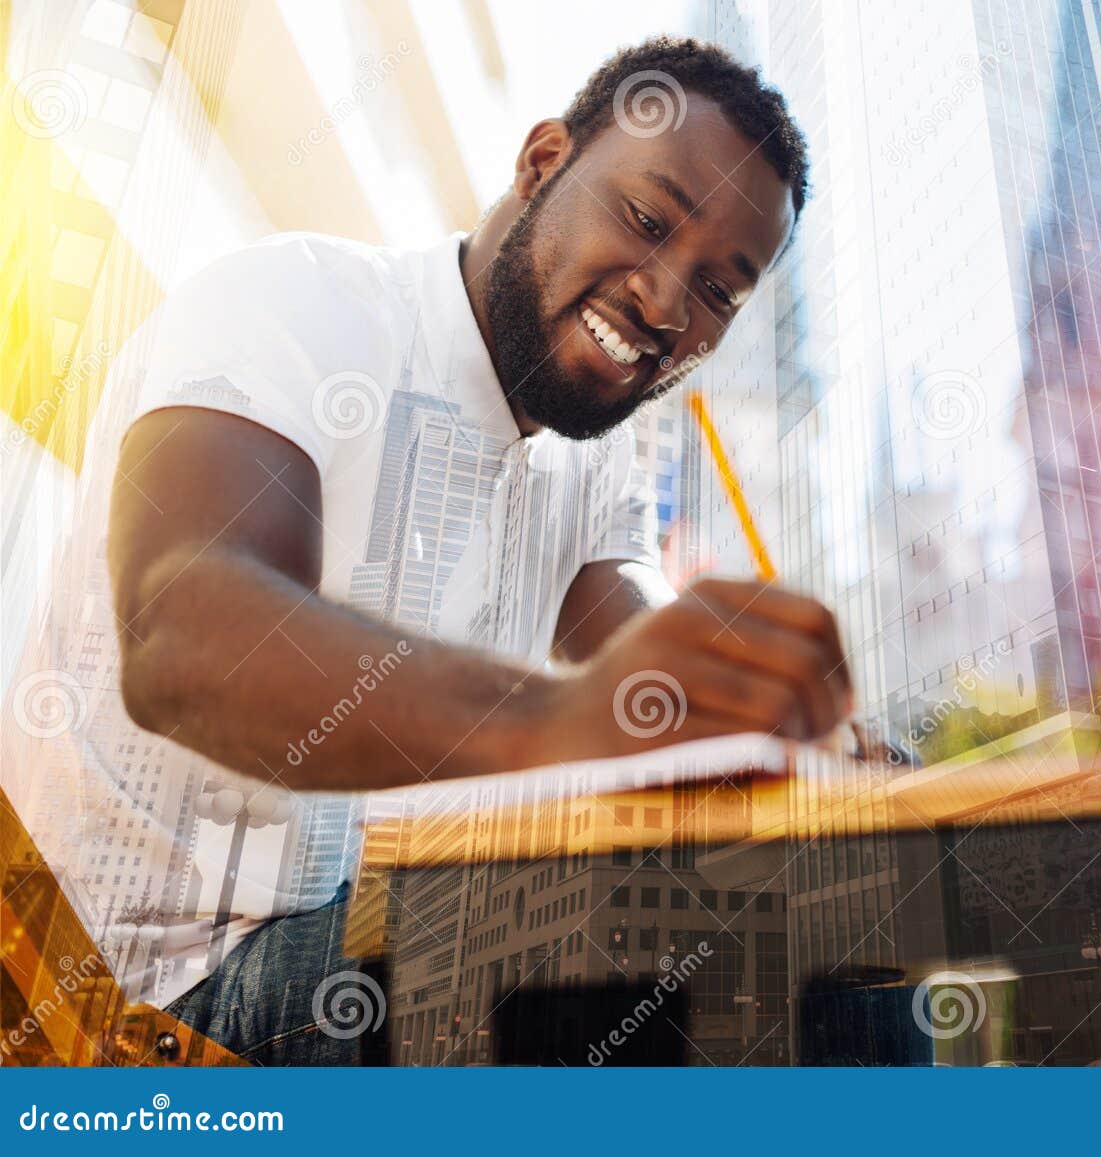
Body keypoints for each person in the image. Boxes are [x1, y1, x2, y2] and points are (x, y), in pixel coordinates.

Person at [69, 37, 847, 1063]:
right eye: (646, 221)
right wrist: (565, 720)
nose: (664, 304)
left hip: (362, 940)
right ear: (541, 164)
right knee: (619, 948)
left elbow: (655, 675)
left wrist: (814, 752)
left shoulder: (591, 471)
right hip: (144, 1005)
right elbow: (180, 632)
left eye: (717, 292)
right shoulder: (295, 304)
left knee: (834, 936)